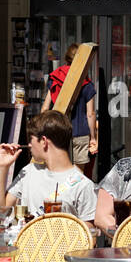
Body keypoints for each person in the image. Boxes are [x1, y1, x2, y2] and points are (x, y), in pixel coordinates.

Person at [0, 111, 98, 262]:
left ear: (44, 141)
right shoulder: (29, 172)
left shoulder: (82, 184)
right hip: (20, 259)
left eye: (31, 140)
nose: (29, 146)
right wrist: (2, 167)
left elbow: (90, 237)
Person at [41, 43, 98, 178]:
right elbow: (90, 114)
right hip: (80, 132)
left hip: (58, 131)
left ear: (67, 58)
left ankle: (60, 197)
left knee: (58, 170)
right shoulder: (87, 84)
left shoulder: (56, 78)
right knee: (78, 173)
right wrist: (93, 137)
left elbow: (45, 108)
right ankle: (73, 198)